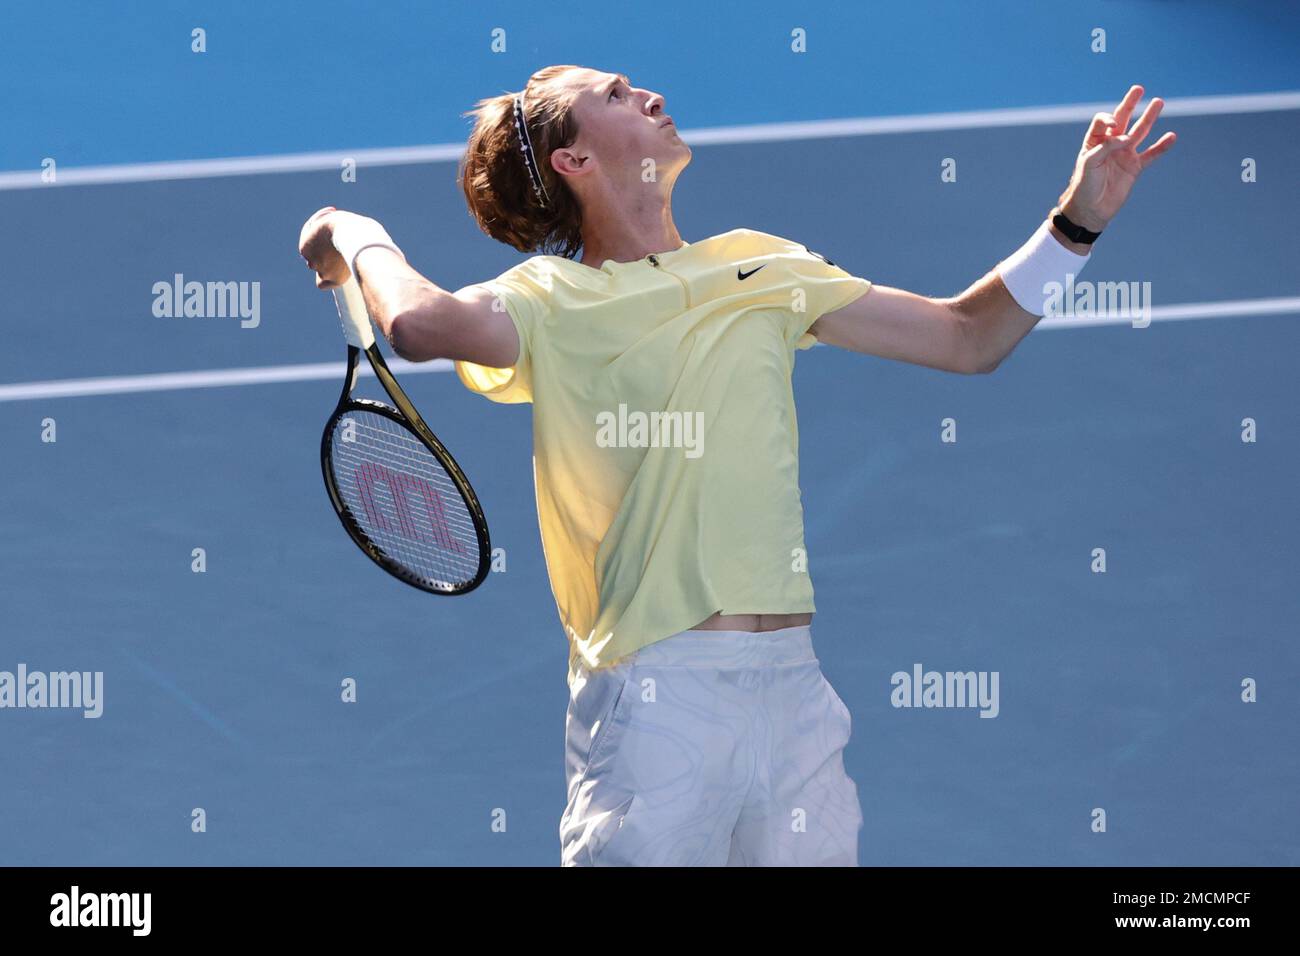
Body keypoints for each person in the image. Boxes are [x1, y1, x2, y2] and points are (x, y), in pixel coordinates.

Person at [298, 66, 1175, 866]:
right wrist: (355, 227)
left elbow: (968, 337)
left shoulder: (764, 266)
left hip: (793, 692)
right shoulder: (549, 299)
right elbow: (417, 326)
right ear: (574, 160)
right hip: (655, 699)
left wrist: (1078, 220)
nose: (644, 94)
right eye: (611, 96)